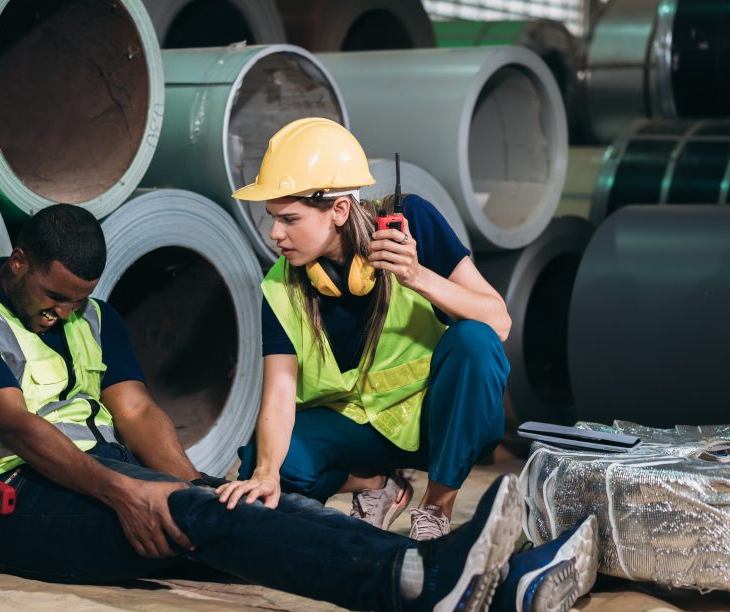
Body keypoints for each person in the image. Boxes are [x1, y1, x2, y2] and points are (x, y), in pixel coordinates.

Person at [0, 203, 589, 612]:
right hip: (9, 506)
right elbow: (19, 429)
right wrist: (128, 494)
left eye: (78, 302)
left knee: (232, 510)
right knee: (213, 521)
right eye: (53, 297)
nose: (64, 316)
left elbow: (135, 409)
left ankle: (506, 578)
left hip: (99, 473)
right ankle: (419, 581)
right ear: (18, 262)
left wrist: (186, 481)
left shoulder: (93, 318)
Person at [217, 117, 510, 543]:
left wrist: (418, 276)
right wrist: (265, 472)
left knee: (475, 340)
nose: (275, 234)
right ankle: (374, 482)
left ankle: (436, 504)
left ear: (338, 210)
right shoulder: (281, 285)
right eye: (272, 218)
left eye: (289, 219)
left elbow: (499, 322)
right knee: (263, 470)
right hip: (360, 431)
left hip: (441, 425)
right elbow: (279, 394)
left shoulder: (414, 225)